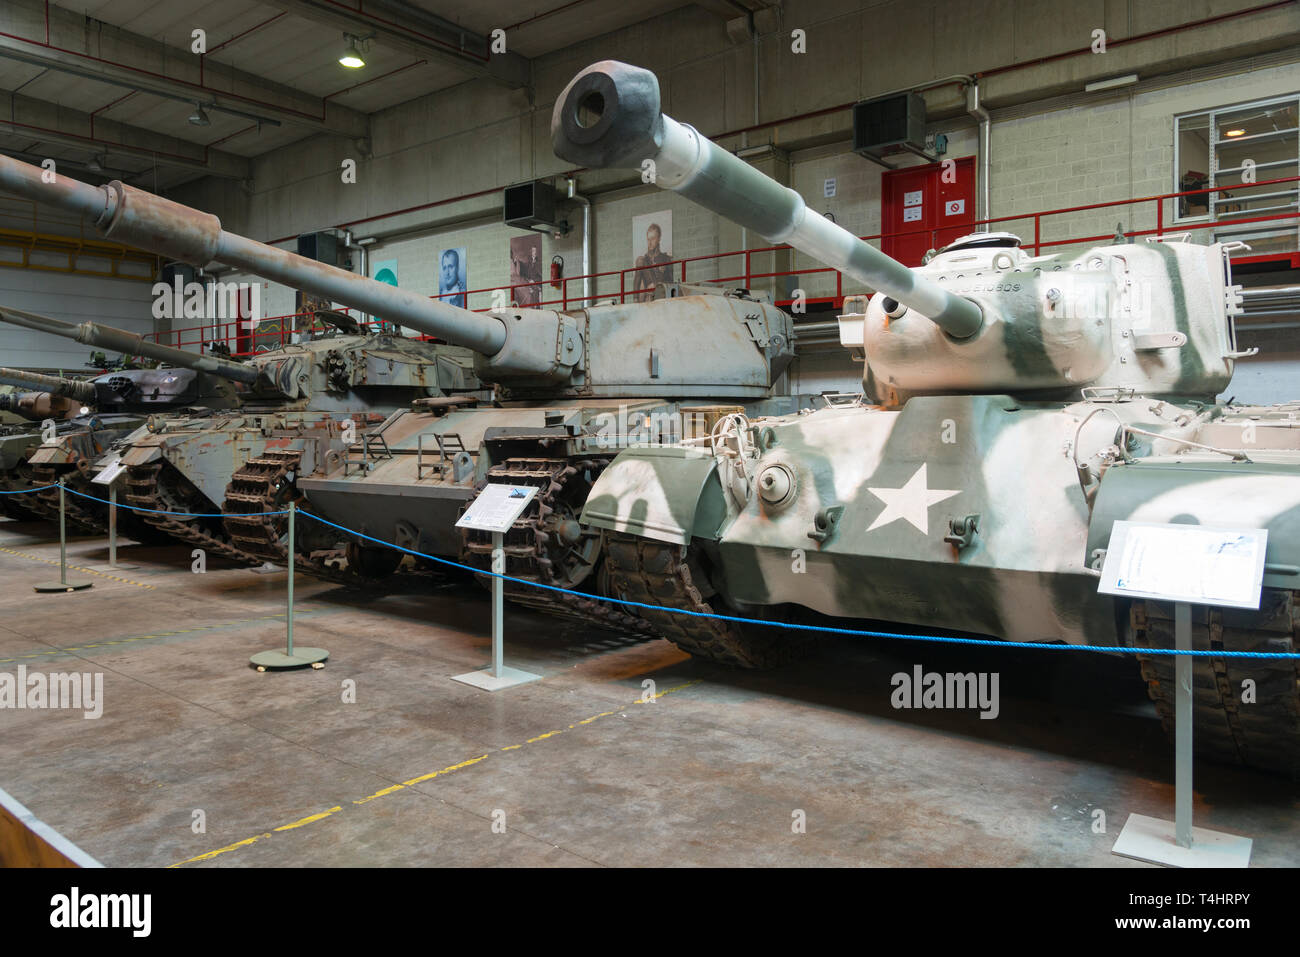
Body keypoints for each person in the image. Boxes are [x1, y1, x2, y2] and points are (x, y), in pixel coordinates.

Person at [632, 223, 672, 301]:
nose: (650, 242)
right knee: (640, 260)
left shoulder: (666, 259)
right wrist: (635, 299)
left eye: (653, 238)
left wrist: (657, 284)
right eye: (648, 239)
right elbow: (637, 281)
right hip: (649, 298)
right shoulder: (642, 260)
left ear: (659, 238)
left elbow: (671, 282)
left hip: (662, 296)